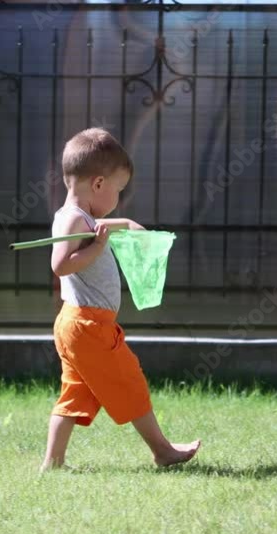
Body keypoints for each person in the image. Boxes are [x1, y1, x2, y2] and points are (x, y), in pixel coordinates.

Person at [41, 127, 201, 471]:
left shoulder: (81, 217)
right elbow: (60, 266)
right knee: (129, 381)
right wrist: (98, 246)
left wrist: (130, 226)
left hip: (79, 324)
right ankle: (163, 451)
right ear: (98, 184)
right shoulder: (73, 220)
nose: (118, 197)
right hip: (88, 325)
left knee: (75, 394)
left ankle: (52, 463)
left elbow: (118, 224)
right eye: (119, 189)